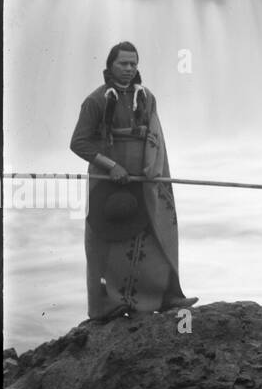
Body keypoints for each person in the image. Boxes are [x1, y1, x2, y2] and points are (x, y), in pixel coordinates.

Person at [70, 42, 198, 322]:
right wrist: (111, 165)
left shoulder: (147, 97)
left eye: (133, 64)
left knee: (155, 233)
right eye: (123, 64)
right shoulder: (96, 100)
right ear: (110, 66)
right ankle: (103, 305)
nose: (129, 69)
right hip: (107, 181)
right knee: (106, 241)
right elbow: (79, 143)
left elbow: (155, 137)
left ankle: (166, 296)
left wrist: (153, 171)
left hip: (142, 177)